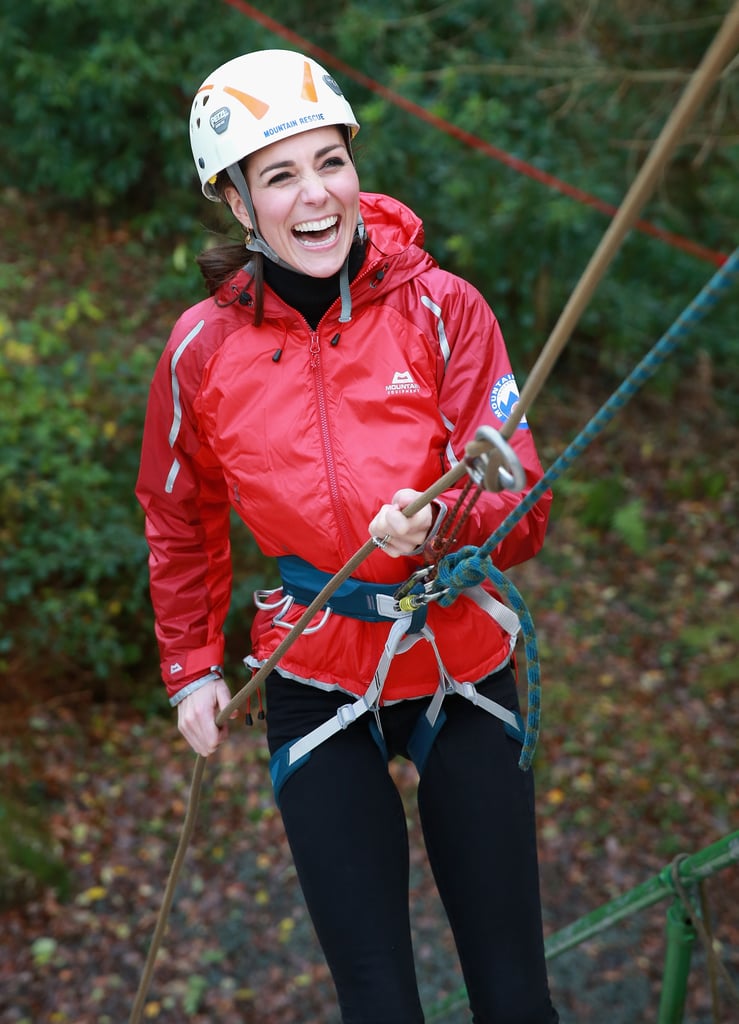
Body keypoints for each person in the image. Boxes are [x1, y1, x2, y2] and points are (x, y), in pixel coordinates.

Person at [136, 48, 558, 1024]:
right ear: (239, 204)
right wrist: (192, 666)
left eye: (330, 162)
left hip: (459, 662)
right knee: (376, 1003)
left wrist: (439, 519)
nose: (315, 195)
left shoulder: (444, 310)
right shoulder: (201, 350)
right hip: (314, 673)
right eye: (280, 175)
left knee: (513, 996)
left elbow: (524, 504)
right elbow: (178, 509)